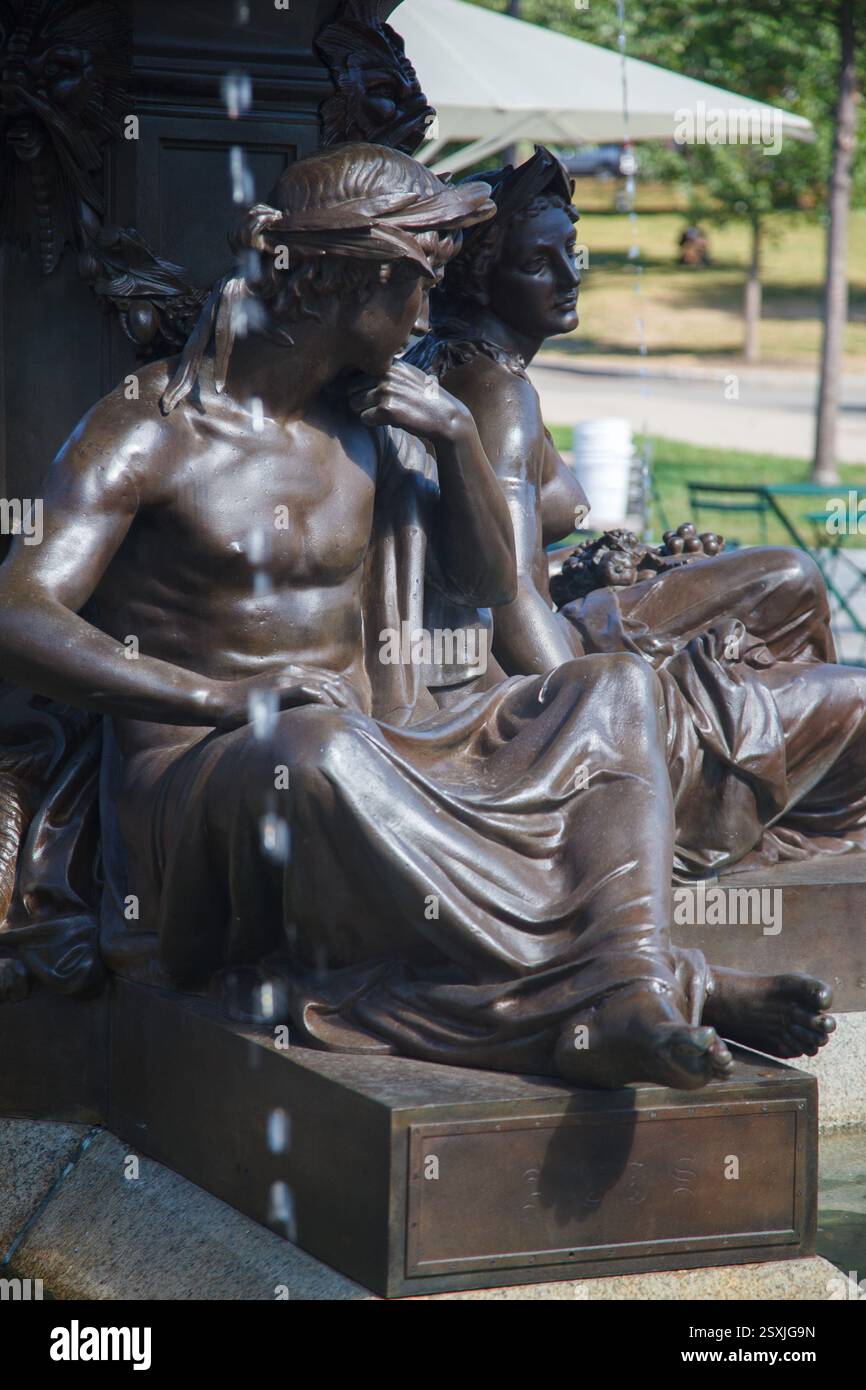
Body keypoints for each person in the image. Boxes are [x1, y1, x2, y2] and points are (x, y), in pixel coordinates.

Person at [0, 143, 832, 1086]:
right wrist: (217, 699)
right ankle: (665, 985)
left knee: (613, 689)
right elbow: (18, 615)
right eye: (419, 288)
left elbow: (487, 585)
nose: (430, 316)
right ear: (353, 282)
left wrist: (457, 439)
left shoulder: (375, 420)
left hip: (376, 738)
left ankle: (633, 982)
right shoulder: (154, 425)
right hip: (201, 784)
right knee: (314, 753)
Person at [407, 147, 866, 887]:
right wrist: (604, 715)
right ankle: (768, 806)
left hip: (560, 618)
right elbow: (501, 595)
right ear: (482, 280)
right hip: (543, 674)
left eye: (572, 251)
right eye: (537, 264)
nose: (569, 275)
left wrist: (587, 565)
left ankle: (770, 780)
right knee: (854, 697)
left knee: (788, 574)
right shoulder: (497, 398)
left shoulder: (454, 363)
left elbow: (475, 557)